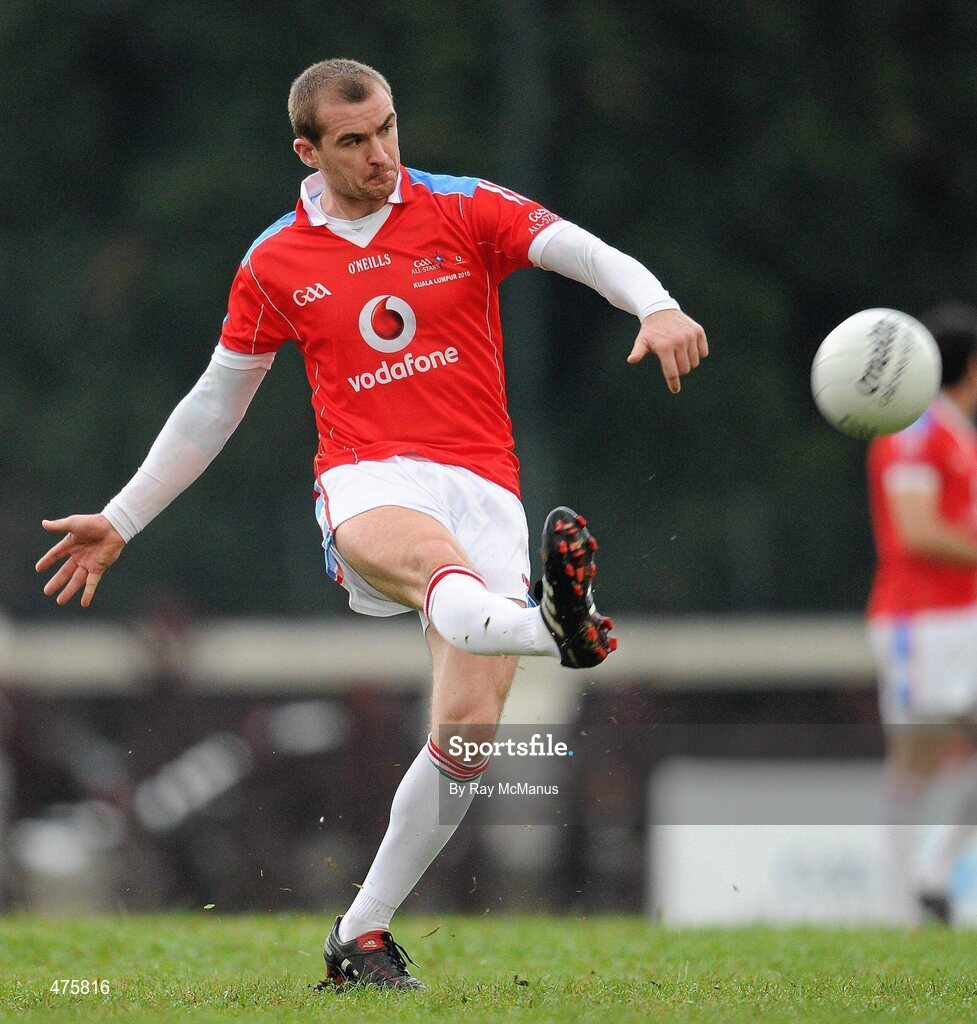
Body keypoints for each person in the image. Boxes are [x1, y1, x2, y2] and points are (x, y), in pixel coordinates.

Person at [36, 59, 707, 985]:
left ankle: (360, 933)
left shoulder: (464, 206)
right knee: (444, 575)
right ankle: (557, 626)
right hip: (367, 483)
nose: (381, 154)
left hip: (486, 487)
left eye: (388, 128)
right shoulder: (275, 261)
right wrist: (122, 516)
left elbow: (579, 250)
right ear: (308, 151)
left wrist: (657, 304)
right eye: (353, 141)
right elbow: (213, 406)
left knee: (469, 729)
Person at [867, 303, 977, 924]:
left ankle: (932, 878)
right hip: (919, 621)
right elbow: (916, 530)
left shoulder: (955, 432)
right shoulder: (912, 427)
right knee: (915, 755)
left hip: (964, 615)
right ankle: (895, 906)